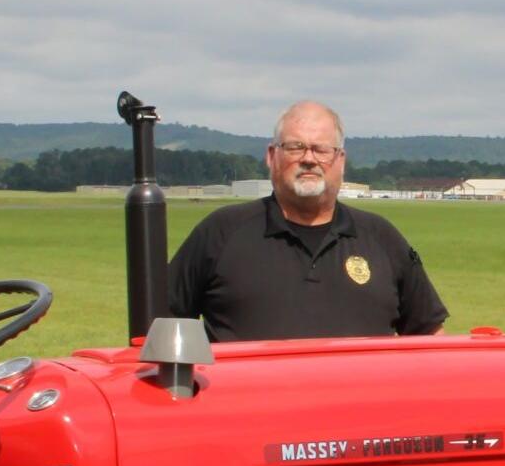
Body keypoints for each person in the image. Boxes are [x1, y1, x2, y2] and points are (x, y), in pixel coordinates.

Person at [169, 100, 447, 341]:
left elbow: (430, 336)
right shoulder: (220, 232)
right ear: (271, 156)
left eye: (321, 149)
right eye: (295, 147)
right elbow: (160, 327)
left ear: (340, 160)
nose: (309, 159)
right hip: (247, 402)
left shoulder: (382, 238)